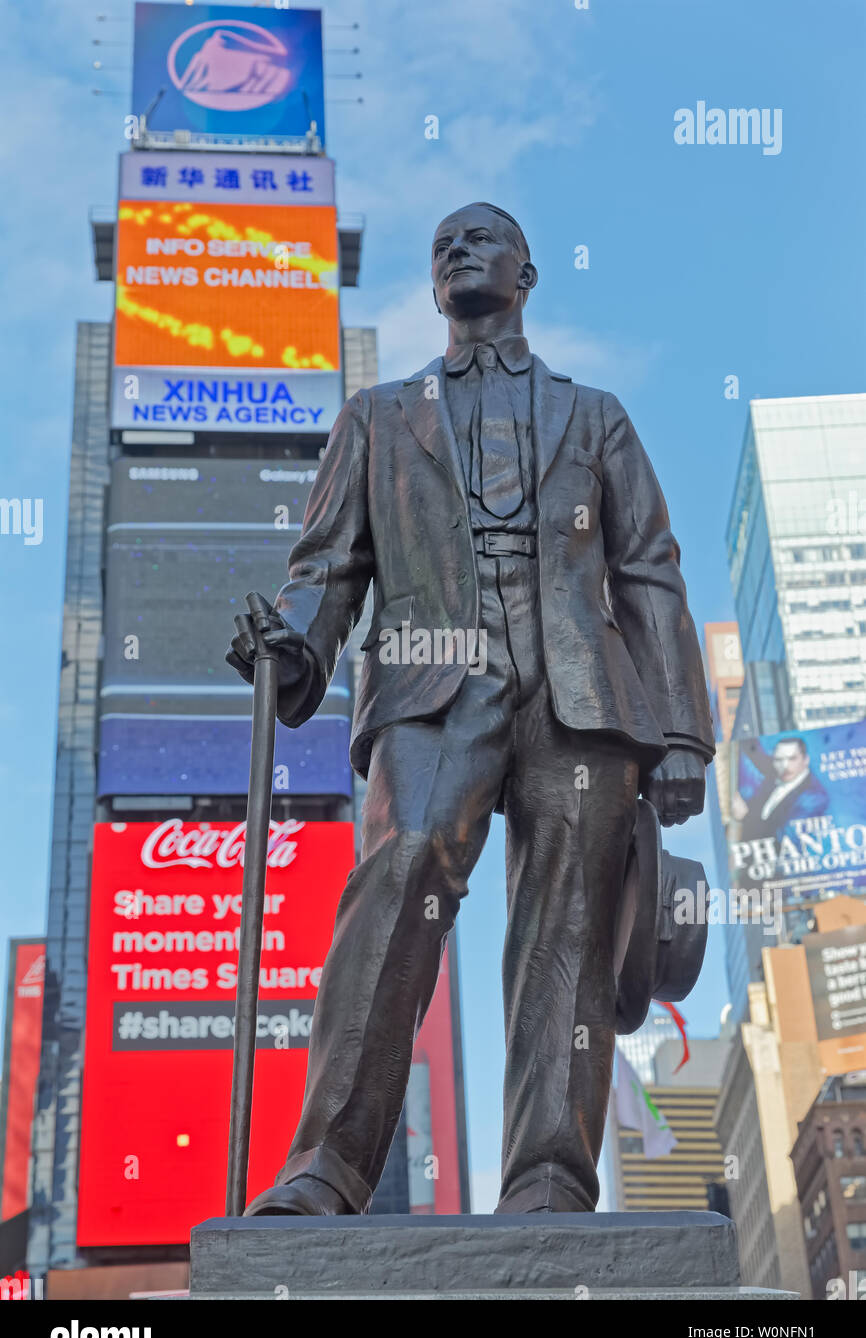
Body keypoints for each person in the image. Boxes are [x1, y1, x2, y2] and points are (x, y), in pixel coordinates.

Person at [227, 202, 714, 1216]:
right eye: (443, 243)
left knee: (567, 925)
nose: (457, 250)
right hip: (429, 674)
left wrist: (677, 730)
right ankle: (327, 1162)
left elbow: (648, 573)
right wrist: (295, 644)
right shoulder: (376, 415)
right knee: (400, 871)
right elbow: (328, 565)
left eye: (481, 237)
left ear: (526, 274)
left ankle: (547, 1179)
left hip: (579, 692)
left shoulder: (595, 415)